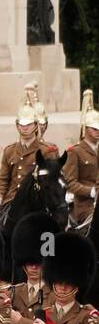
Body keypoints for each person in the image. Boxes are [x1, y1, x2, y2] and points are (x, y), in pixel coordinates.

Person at [0, 84, 59, 216]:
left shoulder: (47, 151)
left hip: (37, 203)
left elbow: (52, 182)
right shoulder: (9, 151)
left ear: (36, 125)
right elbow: (3, 179)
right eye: (21, 124)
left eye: (28, 124)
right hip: (12, 200)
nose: (24, 128)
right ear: (17, 125)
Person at [62, 89, 99, 227]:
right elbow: (70, 182)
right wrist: (91, 192)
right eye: (94, 129)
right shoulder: (75, 152)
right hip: (85, 206)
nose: (98, 132)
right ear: (85, 129)